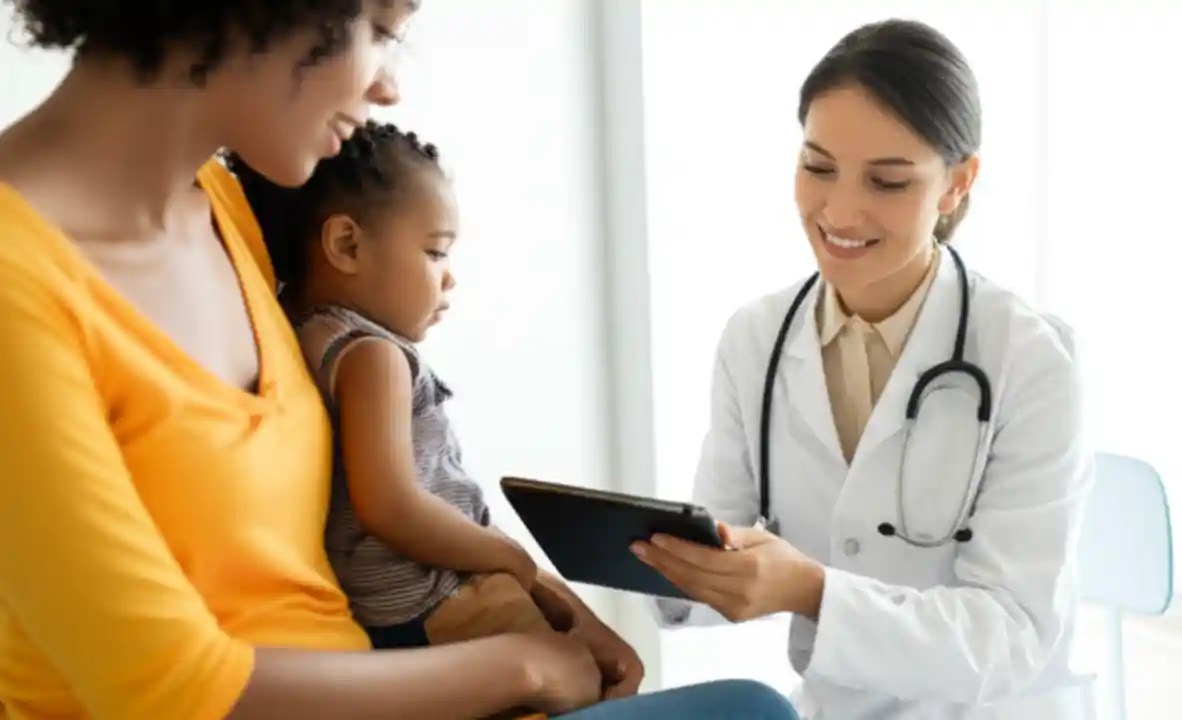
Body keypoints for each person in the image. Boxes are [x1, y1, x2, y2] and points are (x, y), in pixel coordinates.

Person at [0, 2, 798, 718]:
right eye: (379, 30)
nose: (387, 87)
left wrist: (545, 601)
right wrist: (519, 665)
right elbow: (173, 689)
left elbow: (351, 515)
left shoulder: (222, 206)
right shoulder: (17, 284)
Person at [632, 19, 1096, 720]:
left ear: (958, 183)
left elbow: (1011, 635)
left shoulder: (1029, 360)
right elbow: (719, 536)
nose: (840, 210)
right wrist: (649, 562)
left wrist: (811, 591)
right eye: (818, 167)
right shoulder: (757, 338)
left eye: (888, 181)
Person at [228, 121, 562, 652]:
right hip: (428, 598)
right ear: (346, 244)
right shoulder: (373, 355)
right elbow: (391, 505)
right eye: (435, 253)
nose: (449, 277)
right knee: (577, 666)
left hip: (391, 605)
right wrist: (507, 558)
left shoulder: (295, 334)